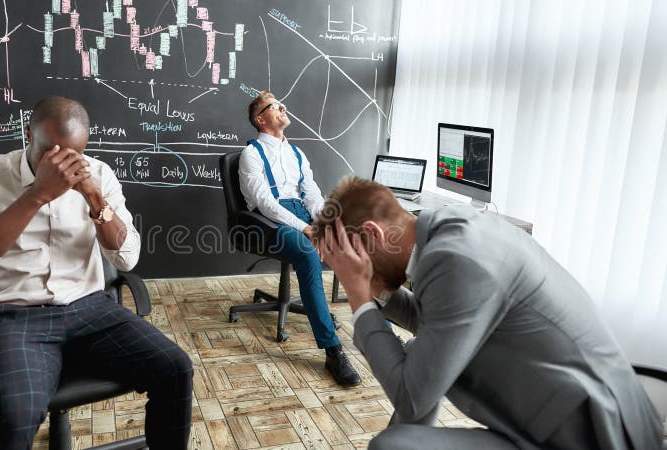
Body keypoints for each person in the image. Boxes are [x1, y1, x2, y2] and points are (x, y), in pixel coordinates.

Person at [314, 177, 663, 449]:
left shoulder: (455, 260)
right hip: (572, 419)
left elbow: (411, 397)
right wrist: (372, 288)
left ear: (372, 235)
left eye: (349, 261)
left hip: (597, 438)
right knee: (418, 372)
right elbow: (439, 325)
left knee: (393, 445)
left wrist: (359, 295)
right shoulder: (447, 231)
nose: (349, 273)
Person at [0, 96, 193, 449]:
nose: (62, 165)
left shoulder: (99, 174)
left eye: (74, 154)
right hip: (14, 316)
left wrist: (94, 198)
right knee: (16, 414)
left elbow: (128, 259)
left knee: (176, 368)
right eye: (51, 152)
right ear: (28, 134)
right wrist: (36, 195)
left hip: (90, 309)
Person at [238, 90, 360, 386]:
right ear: (260, 119)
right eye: (274, 106)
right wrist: (305, 229)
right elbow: (266, 204)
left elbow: (312, 195)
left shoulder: (296, 153)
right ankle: (333, 350)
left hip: (301, 214)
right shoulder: (251, 154)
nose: (282, 108)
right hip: (267, 222)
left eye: (281, 104)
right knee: (308, 253)